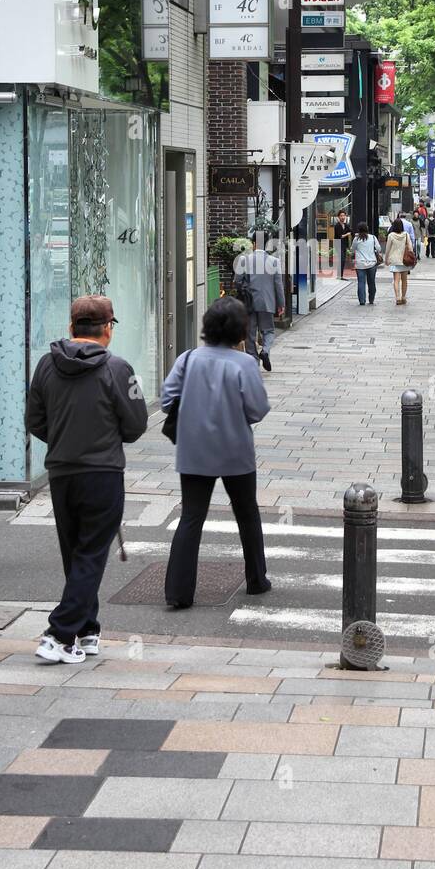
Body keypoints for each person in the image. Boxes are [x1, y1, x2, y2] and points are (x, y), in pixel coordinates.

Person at [26, 295, 148, 664]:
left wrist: (65, 439)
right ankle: (59, 634)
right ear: (108, 328)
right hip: (102, 472)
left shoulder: (46, 365)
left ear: (71, 328)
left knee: (76, 553)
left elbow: (35, 420)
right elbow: (137, 424)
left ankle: (87, 629)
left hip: (62, 472)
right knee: (91, 554)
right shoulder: (119, 368)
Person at [162, 297, 271, 609]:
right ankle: (256, 579)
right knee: (247, 513)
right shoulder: (246, 364)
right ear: (240, 330)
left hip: (194, 449)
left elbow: (168, 398)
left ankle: (178, 592)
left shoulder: (187, 359)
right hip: (235, 449)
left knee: (191, 517)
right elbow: (257, 409)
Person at [234, 241, 285, 372]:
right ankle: (265, 351)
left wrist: (245, 287)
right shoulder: (274, 261)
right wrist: (281, 304)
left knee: (250, 334)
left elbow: (237, 281)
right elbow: (278, 285)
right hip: (267, 302)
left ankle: (253, 362)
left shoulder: (244, 259)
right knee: (268, 331)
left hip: (249, 303)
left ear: (254, 243)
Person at [351, 223, 383, 305]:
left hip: (360, 264)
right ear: (367, 229)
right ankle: (371, 299)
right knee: (371, 282)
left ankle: (362, 301)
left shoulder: (356, 239)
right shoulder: (372, 237)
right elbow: (379, 248)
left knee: (361, 282)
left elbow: (352, 249)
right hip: (372, 263)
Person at [384, 217, 412, 305]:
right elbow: (410, 247)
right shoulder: (406, 234)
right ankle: (403, 297)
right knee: (404, 280)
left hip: (394, 260)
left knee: (396, 280)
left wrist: (386, 259)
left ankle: (398, 298)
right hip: (404, 260)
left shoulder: (391, 235)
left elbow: (387, 249)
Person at [332, 209, 352, 278]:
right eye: (341, 216)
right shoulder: (337, 226)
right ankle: (339, 275)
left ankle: (340, 275)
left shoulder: (346, 225)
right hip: (338, 244)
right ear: (338, 217)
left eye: (344, 215)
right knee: (342, 259)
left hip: (344, 244)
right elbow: (341, 236)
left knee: (342, 260)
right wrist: (347, 234)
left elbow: (351, 231)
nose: (343, 217)